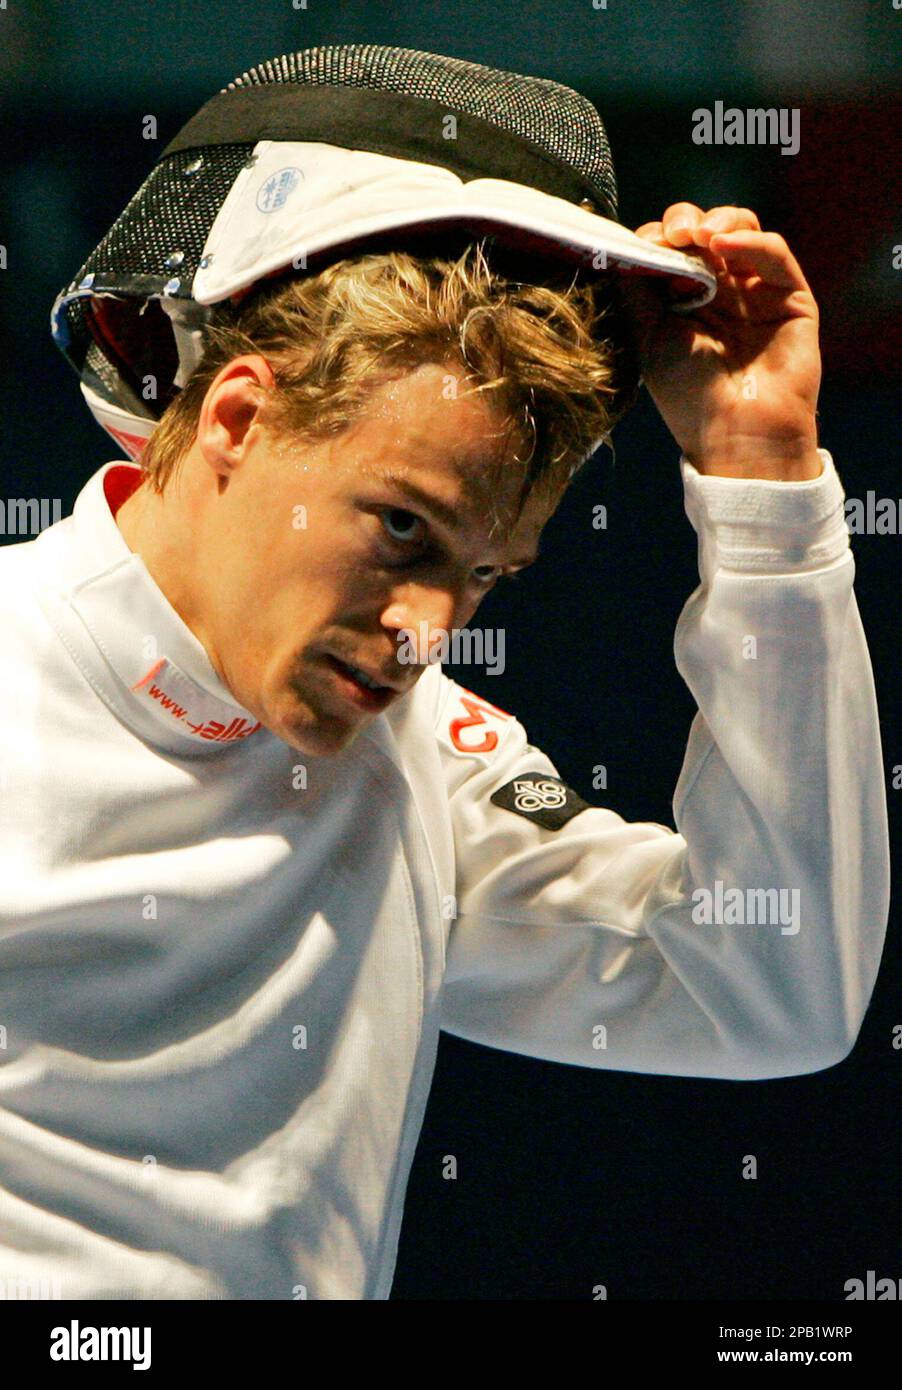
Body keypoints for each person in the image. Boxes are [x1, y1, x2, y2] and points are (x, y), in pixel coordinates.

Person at [0, 45, 888, 1301]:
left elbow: (769, 988)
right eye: (401, 527)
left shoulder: (415, 758)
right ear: (242, 419)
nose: (427, 629)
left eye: (484, 574)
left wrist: (762, 483)